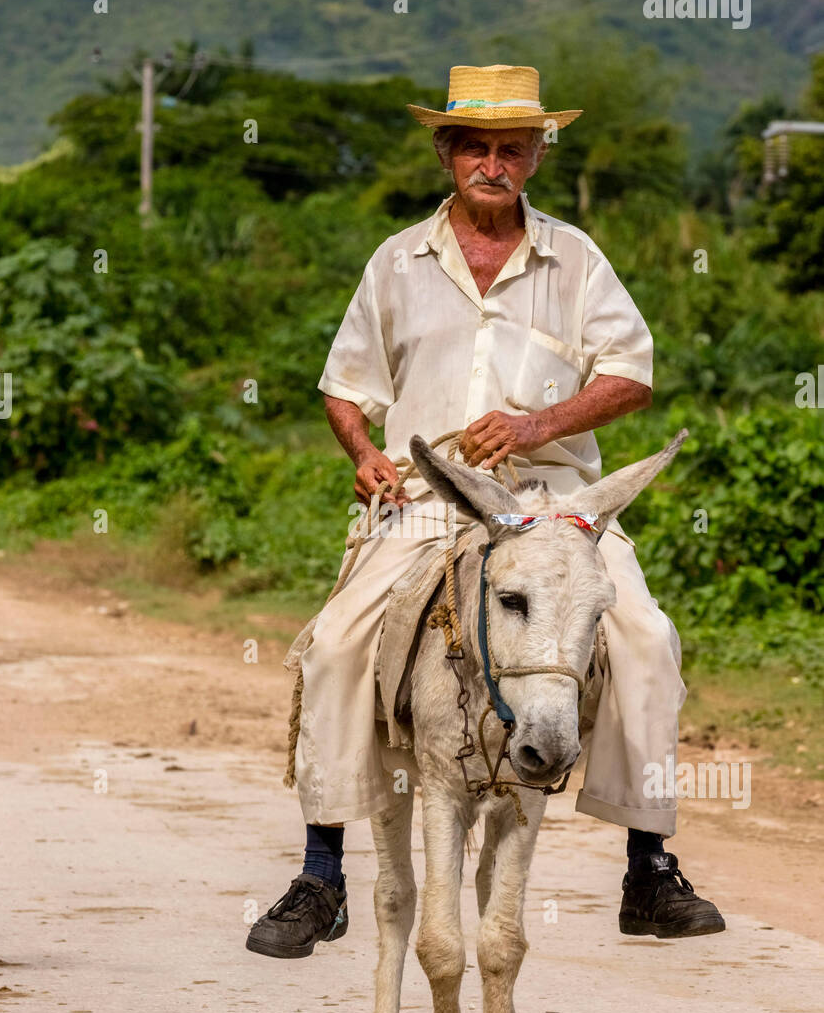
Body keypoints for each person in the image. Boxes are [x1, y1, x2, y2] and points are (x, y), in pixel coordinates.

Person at [246, 63, 725, 960]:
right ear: (445, 151)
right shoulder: (394, 261)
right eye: (475, 146)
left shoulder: (576, 257)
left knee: (647, 640)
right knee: (338, 645)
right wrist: (363, 458)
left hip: (555, 504)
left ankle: (648, 866)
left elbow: (630, 376)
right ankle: (320, 873)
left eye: (512, 147)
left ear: (538, 155)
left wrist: (537, 423)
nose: (492, 163)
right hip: (430, 500)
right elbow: (346, 389)